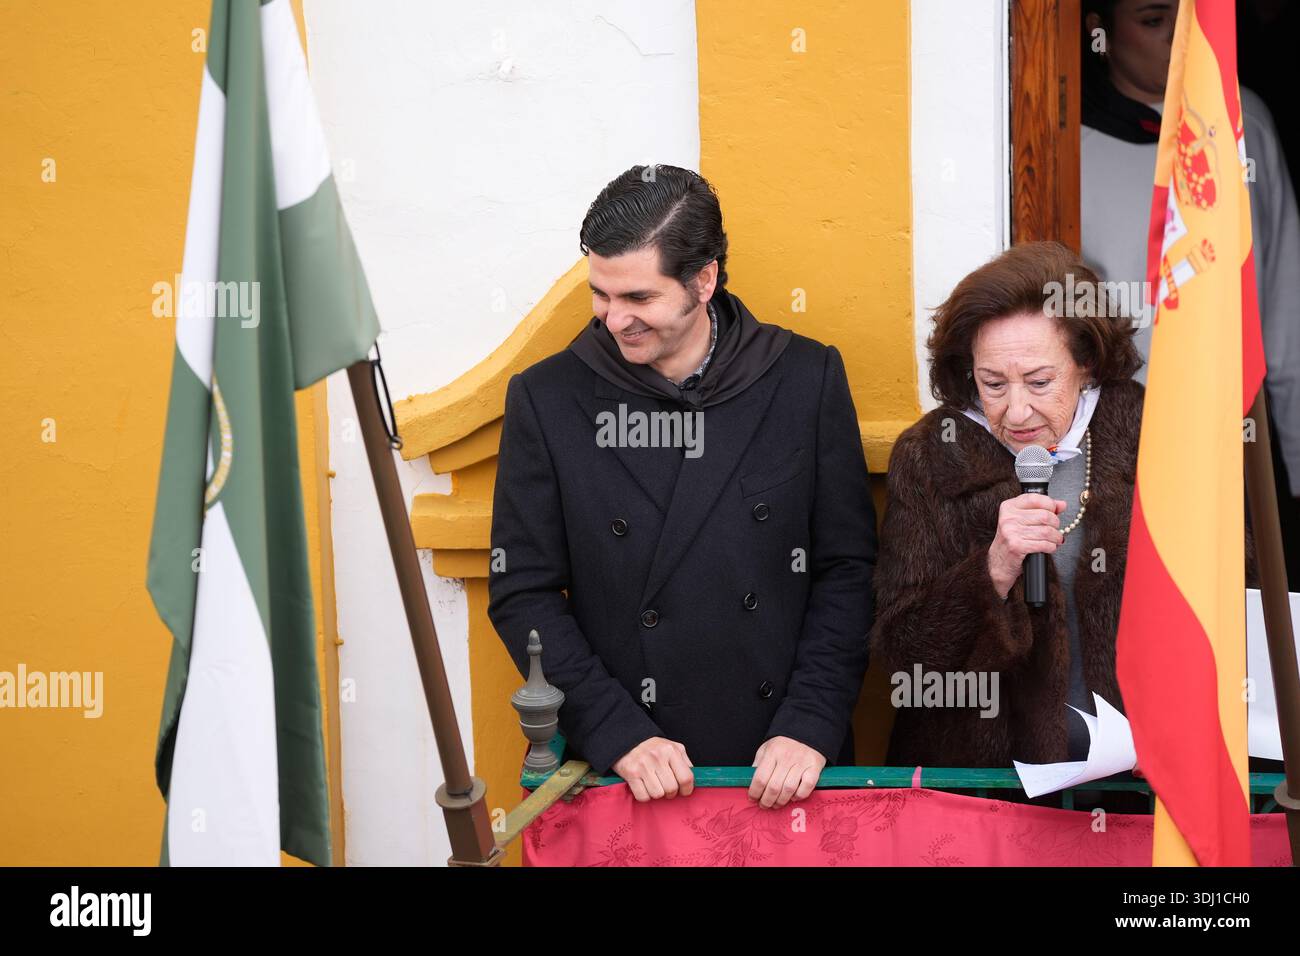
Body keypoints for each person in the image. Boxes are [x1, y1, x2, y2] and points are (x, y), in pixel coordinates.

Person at [488, 165, 876, 808]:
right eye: (601, 295)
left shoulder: (805, 378)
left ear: (704, 279)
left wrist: (810, 722)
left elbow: (847, 568)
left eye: (638, 298)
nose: (614, 320)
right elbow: (522, 592)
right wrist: (616, 730)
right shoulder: (547, 399)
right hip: (631, 771)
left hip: (784, 768)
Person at [870, 242, 1147, 768]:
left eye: (1040, 382)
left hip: (1133, 780)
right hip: (987, 785)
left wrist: (1173, 725)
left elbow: (1223, 603)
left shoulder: (1152, 433)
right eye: (992, 383)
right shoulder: (931, 454)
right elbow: (903, 655)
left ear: (1086, 363)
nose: (1016, 410)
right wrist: (993, 570)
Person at [1080, 0, 1300, 586]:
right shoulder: (1057, 142)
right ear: (1097, 29)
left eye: (1184, 20)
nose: (1175, 40)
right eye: (1153, 22)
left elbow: (1279, 309)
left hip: (1227, 433)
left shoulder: (1241, 121)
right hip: (1106, 447)